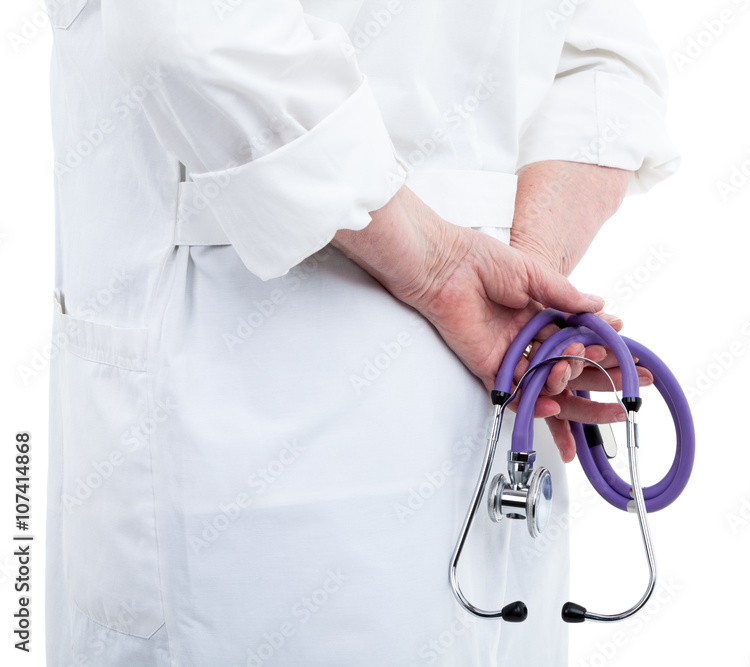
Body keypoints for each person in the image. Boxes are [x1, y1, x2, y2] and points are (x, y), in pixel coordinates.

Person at [43, 1, 680, 664]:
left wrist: (497, 277)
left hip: (274, 411)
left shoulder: (473, 287)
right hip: (342, 398)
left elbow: (186, 26)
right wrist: (486, 270)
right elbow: (606, 66)